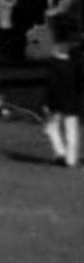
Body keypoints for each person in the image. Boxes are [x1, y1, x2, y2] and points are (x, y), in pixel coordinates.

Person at [45, 28, 82, 169]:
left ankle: (61, 152)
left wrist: (46, 102)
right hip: (72, 100)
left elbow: (51, 85)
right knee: (71, 129)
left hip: (57, 101)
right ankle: (71, 159)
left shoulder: (52, 64)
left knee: (51, 128)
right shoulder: (75, 63)